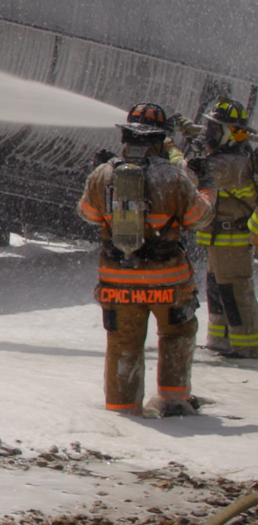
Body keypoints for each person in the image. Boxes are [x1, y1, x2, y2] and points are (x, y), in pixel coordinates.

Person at [78, 102, 213, 415]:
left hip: (118, 283)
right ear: (158, 140)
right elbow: (200, 218)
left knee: (123, 343)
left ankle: (122, 408)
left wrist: (97, 176)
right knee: (177, 335)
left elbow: (87, 214)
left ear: (126, 136)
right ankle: (173, 402)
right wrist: (207, 187)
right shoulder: (173, 177)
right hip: (168, 282)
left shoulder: (103, 173)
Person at [188, 99, 258, 359]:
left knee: (235, 293)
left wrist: (171, 148)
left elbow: (188, 177)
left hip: (232, 241)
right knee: (218, 292)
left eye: (215, 130)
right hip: (220, 241)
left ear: (231, 133)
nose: (209, 134)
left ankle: (247, 346)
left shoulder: (231, 164)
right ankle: (220, 342)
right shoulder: (229, 157)